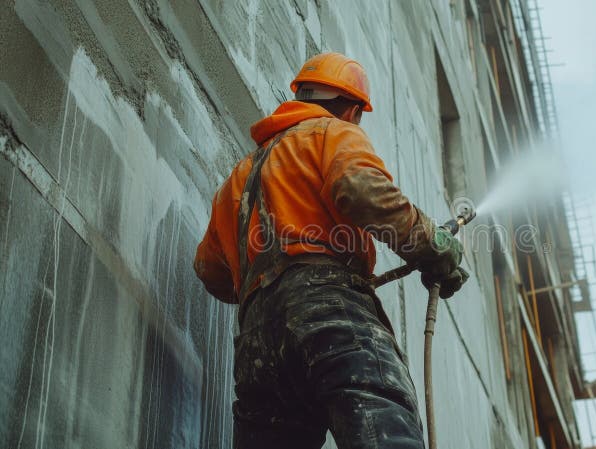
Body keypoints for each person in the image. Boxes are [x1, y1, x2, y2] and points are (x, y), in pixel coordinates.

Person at [194, 52, 469, 448]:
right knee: (384, 426)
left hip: (256, 340)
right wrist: (431, 245)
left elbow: (209, 270)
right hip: (327, 306)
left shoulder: (237, 180)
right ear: (353, 109)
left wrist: (267, 286)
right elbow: (360, 190)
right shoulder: (332, 132)